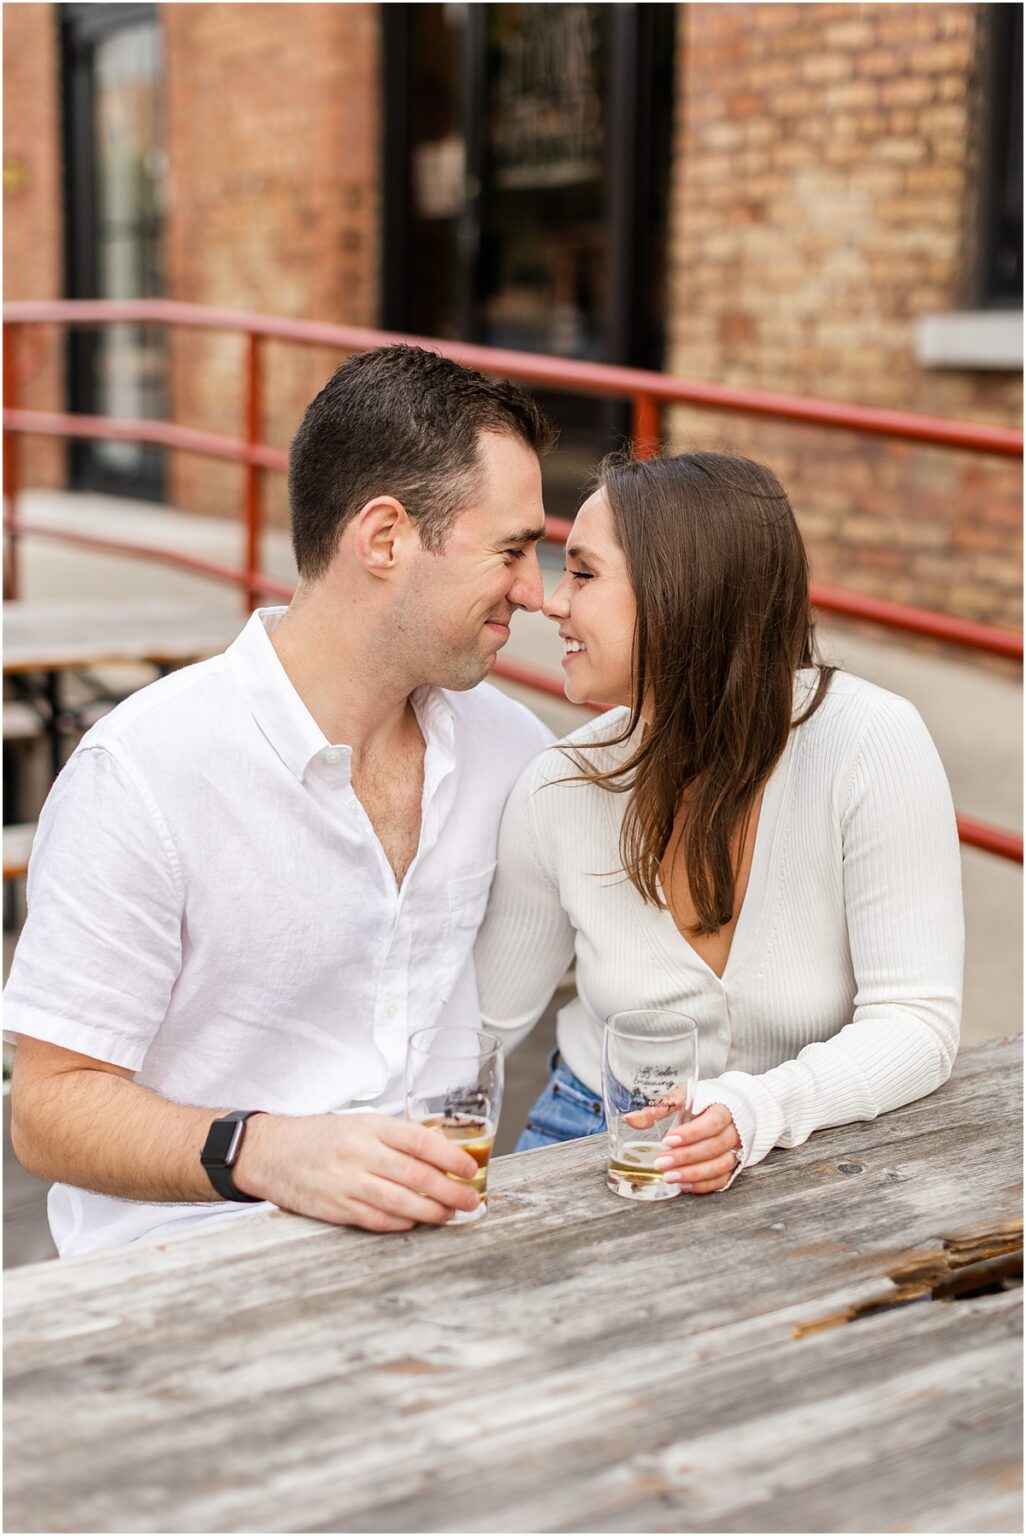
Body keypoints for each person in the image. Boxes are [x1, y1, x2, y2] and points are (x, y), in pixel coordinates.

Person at [5, 345, 556, 1256]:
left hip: (444, 1261)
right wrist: (265, 1151)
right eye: (511, 549)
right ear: (385, 538)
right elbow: (50, 1111)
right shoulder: (142, 773)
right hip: (188, 1283)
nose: (532, 592)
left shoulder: (514, 750)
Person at [475, 451, 963, 1192]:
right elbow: (481, 1027)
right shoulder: (559, 786)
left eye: (583, 573)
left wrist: (752, 1110)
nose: (552, 602)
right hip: (594, 1135)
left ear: (683, 592)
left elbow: (919, 1026)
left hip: (816, 1138)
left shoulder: (870, 744)